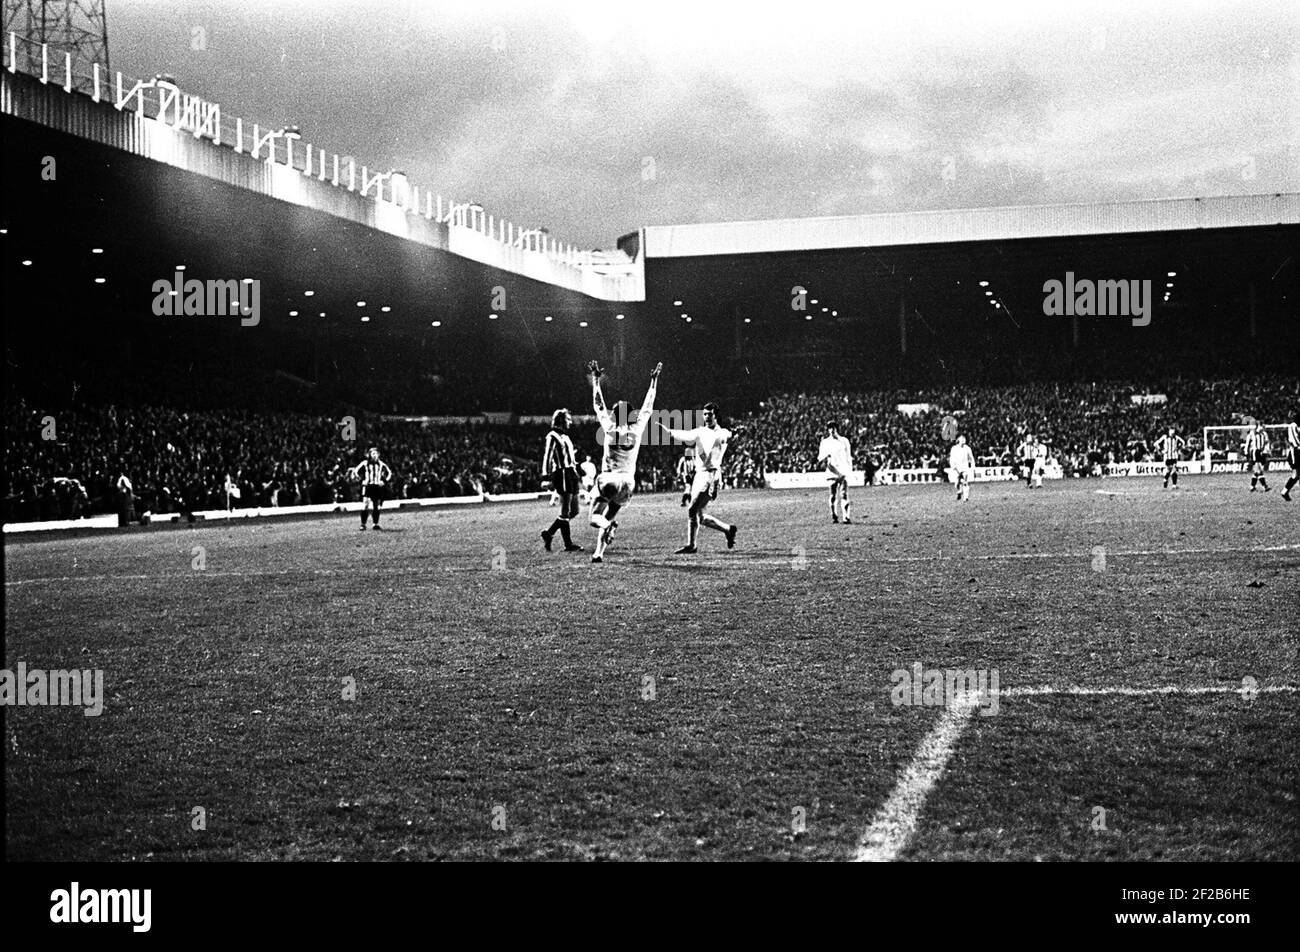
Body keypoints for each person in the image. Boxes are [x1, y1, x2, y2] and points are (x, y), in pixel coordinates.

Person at [588, 360, 662, 563]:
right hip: (628, 482)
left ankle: (607, 530)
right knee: (609, 516)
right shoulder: (636, 430)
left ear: (615, 414)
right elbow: (648, 406)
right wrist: (653, 381)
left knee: (595, 518)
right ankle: (598, 553)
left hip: (609, 478)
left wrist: (596, 379)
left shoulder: (610, 428)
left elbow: (598, 404)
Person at [660, 402, 738, 554]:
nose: (707, 417)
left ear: (716, 416)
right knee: (700, 516)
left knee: (692, 509)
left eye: (710, 414)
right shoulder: (700, 431)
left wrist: (733, 434)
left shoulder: (721, 433)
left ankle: (691, 545)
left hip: (711, 475)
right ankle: (728, 529)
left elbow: (728, 437)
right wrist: (668, 431)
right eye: (705, 414)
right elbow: (685, 435)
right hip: (699, 475)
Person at [540, 408, 584, 552]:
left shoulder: (566, 437)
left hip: (571, 473)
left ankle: (549, 533)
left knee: (575, 510)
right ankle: (568, 544)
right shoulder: (552, 436)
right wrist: (546, 477)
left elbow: (571, 457)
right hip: (562, 473)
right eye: (568, 420)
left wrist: (578, 470)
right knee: (565, 509)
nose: (570, 423)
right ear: (561, 420)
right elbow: (547, 456)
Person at [817, 421, 854, 523]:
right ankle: (834, 514)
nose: (832, 430)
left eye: (833, 427)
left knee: (844, 494)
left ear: (837, 429)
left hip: (843, 470)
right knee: (833, 494)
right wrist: (825, 458)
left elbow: (848, 456)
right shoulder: (825, 442)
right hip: (832, 471)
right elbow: (820, 457)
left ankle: (846, 517)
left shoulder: (844, 441)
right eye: (829, 428)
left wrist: (848, 471)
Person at [349, 446, 392, 530]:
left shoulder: (381, 464)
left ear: (378, 454)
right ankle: (363, 524)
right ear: (370, 455)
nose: (374, 455)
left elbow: (389, 472)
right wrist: (361, 481)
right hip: (368, 486)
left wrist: (384, 482)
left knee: (377, 506)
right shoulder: (365, 463)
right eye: (373, 454)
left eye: (376, 453)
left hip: (377, 487)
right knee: (365, 505)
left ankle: (375, 524)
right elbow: (355, 471)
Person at [1245, 422, 1271, 493]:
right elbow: (1247, 442)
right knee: (1258, 470)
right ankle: (1265, 486)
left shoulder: (1264, 434)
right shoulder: (1252, 433)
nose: (1262, 427)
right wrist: (1246, 452)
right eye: (1260, 426)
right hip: (1255, 452)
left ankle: (1252, 487)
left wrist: (1266, 451)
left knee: (1258, 471)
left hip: (1261, 452)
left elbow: (1266, 442)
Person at [948, 435, 975, 502]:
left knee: (965, 481)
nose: (964, 440)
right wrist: (953, 467)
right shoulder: (954, 448)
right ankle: (959, 490)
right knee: (957, 483)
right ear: (958, 440)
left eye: (964, 439)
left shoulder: (967, 448)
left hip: (964, 467)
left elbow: (971, 457)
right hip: (957, 468)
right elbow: (952, 458)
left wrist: (973, 466)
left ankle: (965, 498)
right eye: (962, 439)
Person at [1283, 412, 1299, 502]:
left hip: (1295, 451)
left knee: (1296, 475)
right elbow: (1294, 441)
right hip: (1296, 452)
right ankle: (1284, 492)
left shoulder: (1294, 426)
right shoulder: (1293, 426)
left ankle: (1285, 492)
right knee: (1296, 474)